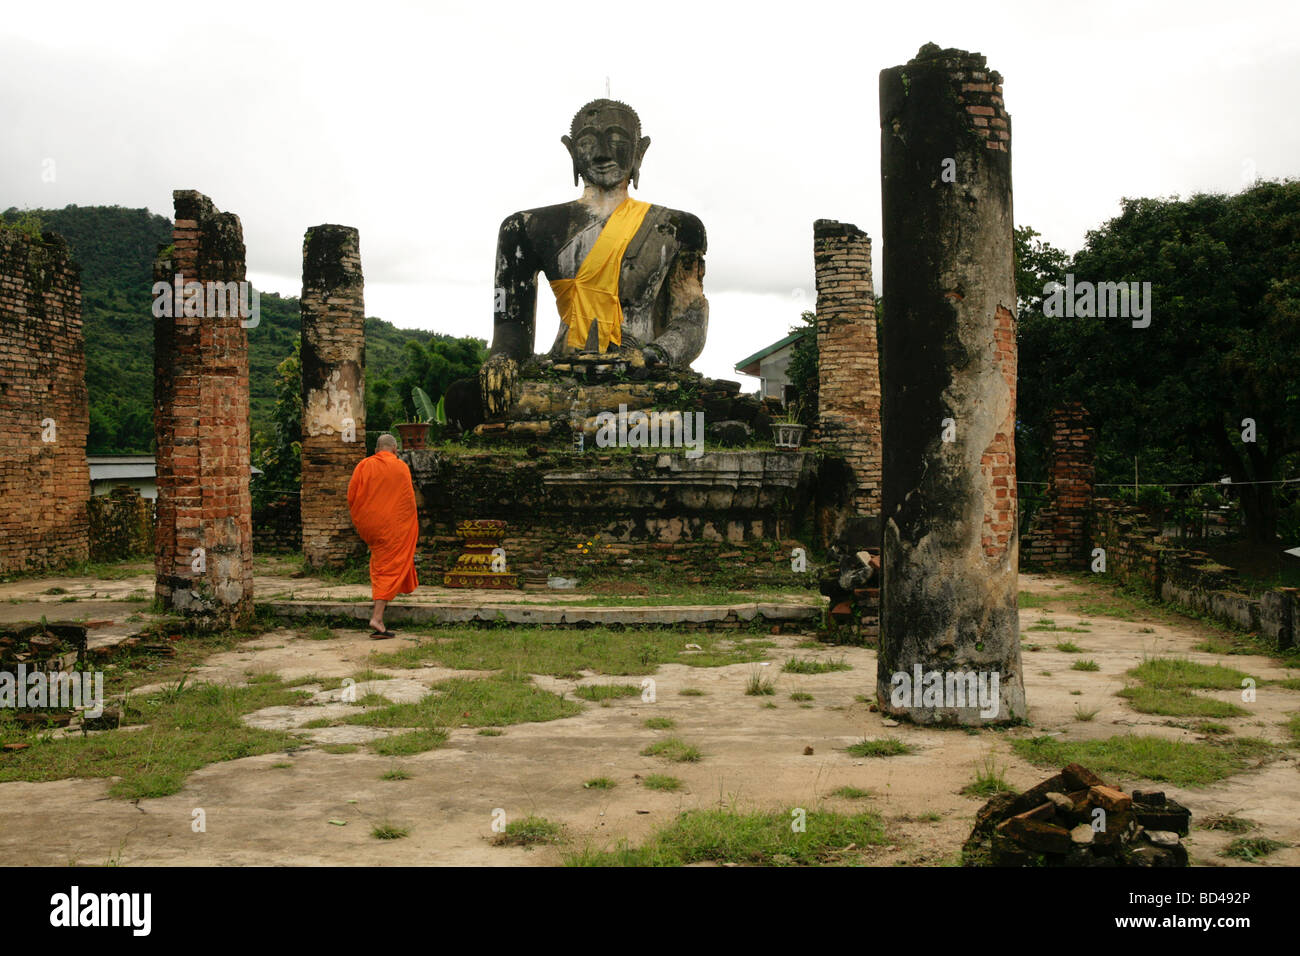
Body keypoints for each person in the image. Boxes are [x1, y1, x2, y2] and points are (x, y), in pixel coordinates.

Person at [346, 433, 419, 638]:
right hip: (393, 527)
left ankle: (379, 615)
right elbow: (407, 503)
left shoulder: (364, 465)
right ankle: (377, 618)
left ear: (377, 450)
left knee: (381, 564)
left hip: (371, 526)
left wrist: (365, 519)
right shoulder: (400, 467)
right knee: (389, 567)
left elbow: (352, 496)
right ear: (395, 450)